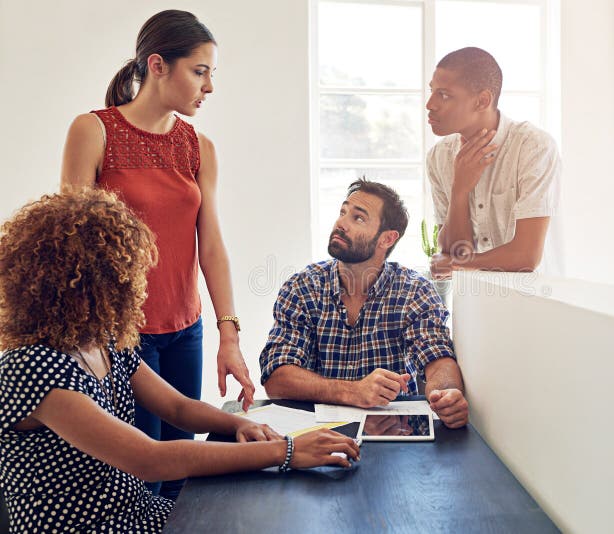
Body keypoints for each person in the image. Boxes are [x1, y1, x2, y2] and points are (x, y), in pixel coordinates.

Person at [0, 190, 360, 533]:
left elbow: (177, 407)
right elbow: (148, 458)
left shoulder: (104, 341)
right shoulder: (31, 368)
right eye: (122, 276)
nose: (137, 285)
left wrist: (234, 425)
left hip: (137, 513)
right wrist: (286, 451)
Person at [59, 10, 254, 499]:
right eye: (200, 71)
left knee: (180, 478)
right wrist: (91, 335)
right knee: (138, 475)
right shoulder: (93, 130)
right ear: (158, 65)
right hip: (121, 335)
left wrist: (227, 335)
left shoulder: (199, 147)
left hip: (184, 330)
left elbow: (210, 246)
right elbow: (68, 239)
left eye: (212, 74)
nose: (209, 87)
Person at [260, 179, 469, 429]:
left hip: (395, 441)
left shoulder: (415, 291)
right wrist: (353, 392)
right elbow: (276, 377)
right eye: (343, 212)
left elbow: (438, 361)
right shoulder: (303, 287)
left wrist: (446, 396)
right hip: (318, 439)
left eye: (358, 218)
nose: (341, 223)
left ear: (387, 239)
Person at [425, 47, 562, 278]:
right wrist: (460, 190)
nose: (430, 104)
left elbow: (526, 257)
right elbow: (455, 250)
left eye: (444, 95)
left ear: (482, 100)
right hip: (473, 300)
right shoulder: (439, 156)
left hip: (537, 300)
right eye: (432, 91)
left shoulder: (534, 147)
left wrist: (458, 264)